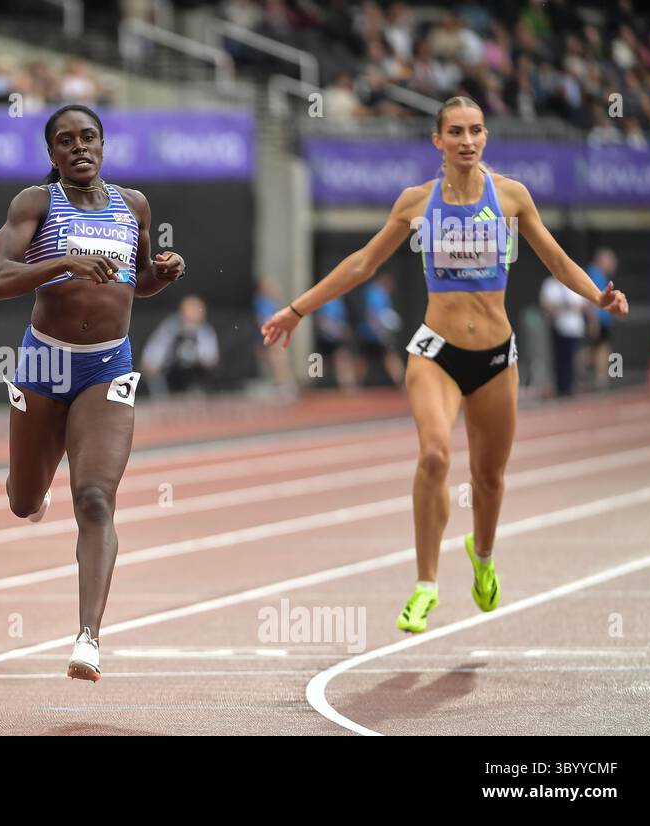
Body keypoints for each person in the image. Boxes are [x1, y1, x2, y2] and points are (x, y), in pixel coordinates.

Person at [261, 96, 627, 634]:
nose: (467, 140)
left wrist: (598, 297)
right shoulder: (415, 203)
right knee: (434, 456)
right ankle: (426, 584)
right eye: (455, 131)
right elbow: (362, 263)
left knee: (489, 479)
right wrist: (297, 310)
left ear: (486, 137)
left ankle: (482, 556)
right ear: (438, 140)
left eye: (476, 130)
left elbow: (554, 257)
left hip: (497, 359)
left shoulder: (511, 196)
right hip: (435, 353)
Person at [0, 104, 186, 680]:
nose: (79, 147)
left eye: (88, 137)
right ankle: (31, 483)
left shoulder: (134, 205)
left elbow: (136, 280)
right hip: (45, 361)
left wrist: (161, 274)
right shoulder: (35, 204)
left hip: (106, 367)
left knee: (95, 498)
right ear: (51, 154)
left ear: (103, 144)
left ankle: (88, 637)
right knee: (24, 501)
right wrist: (61, 263)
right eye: (66, 141)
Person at [140, 294, 219, 397]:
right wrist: (152, 363)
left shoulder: (205, 331)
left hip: (194, 376)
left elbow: (210, 358)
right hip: (171, 374)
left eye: (197, 309)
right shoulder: (170, 327)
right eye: (190, 309)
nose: (194, 313)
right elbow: (156, 349)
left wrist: (197, 359)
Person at [583, 247, 616, 390]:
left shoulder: (601, 275)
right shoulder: (595, 274)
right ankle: (601, 378)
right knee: (600, 348)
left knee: (598, 349)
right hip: (597, 320)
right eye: (610, 260)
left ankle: (600, 377)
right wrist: (593, 321)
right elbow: (591, 299)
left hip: (602, 319)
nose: (613, 263)